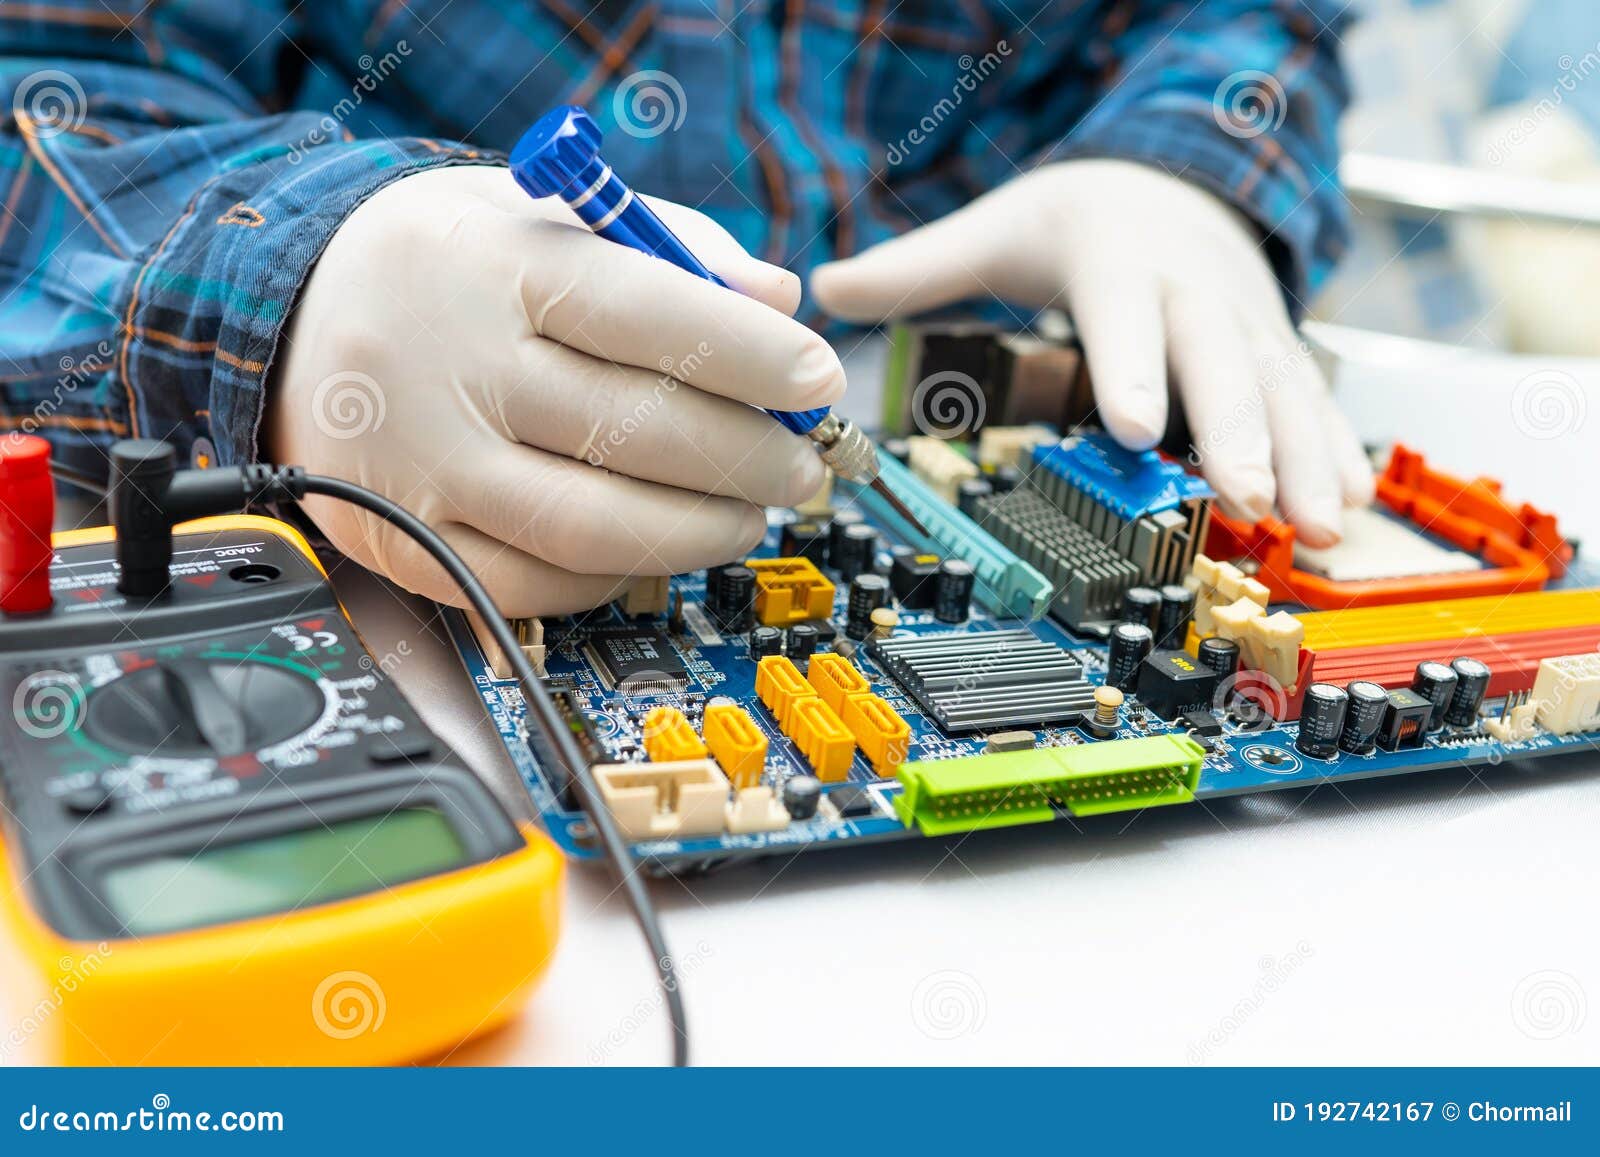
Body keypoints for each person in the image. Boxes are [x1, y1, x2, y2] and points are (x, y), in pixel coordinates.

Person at [0, 2, 1371, 616]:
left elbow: (1241, 17)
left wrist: (1182, 160)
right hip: (376, 563)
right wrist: (294, 287)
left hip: (955, 414)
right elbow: (43, 81)